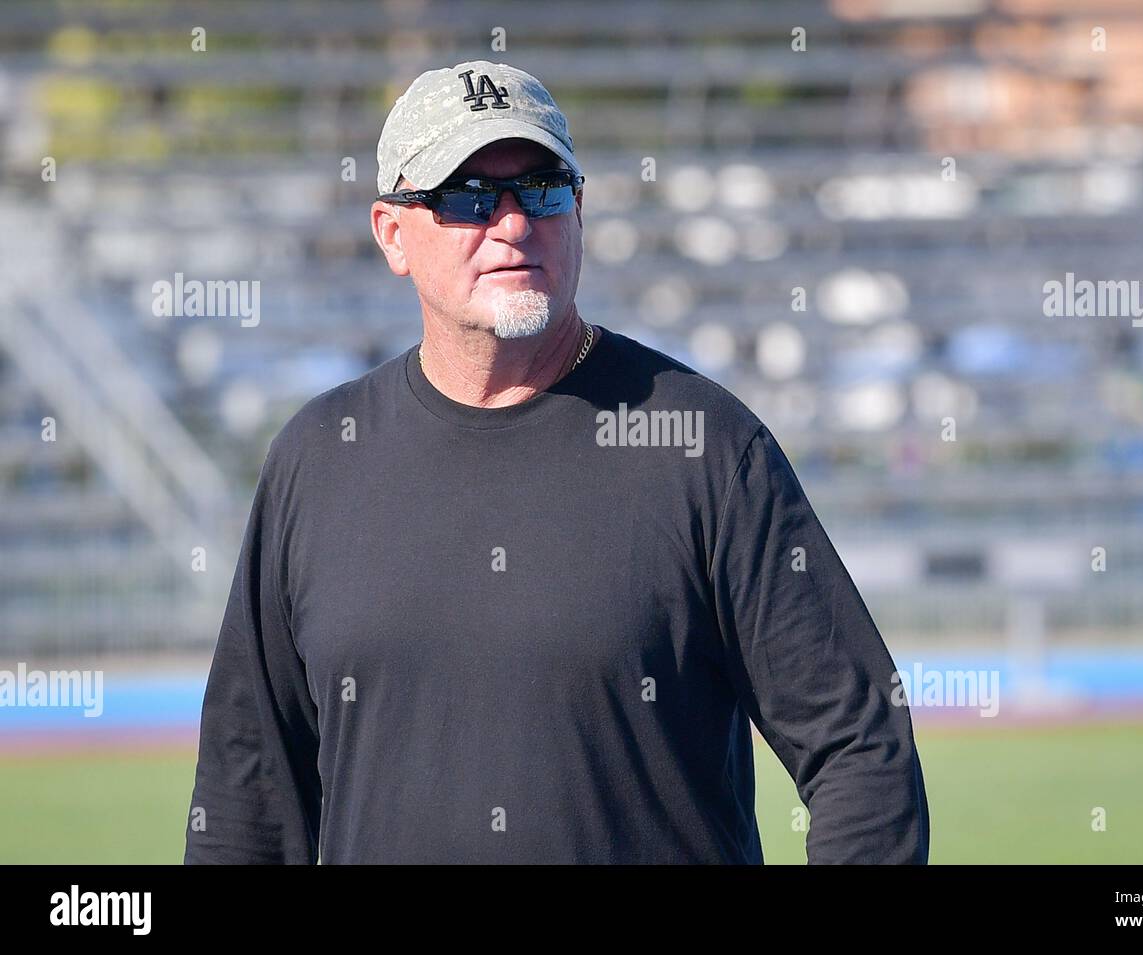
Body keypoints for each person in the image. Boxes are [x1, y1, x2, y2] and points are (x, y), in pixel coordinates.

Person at [184, 60, 929, 864]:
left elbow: (861, 747)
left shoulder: (702, 446)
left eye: (540, 189)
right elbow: (246, 801)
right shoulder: (317, 460)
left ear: (578, 208)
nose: (511, 225)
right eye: (468, 196)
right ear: (392, 233)